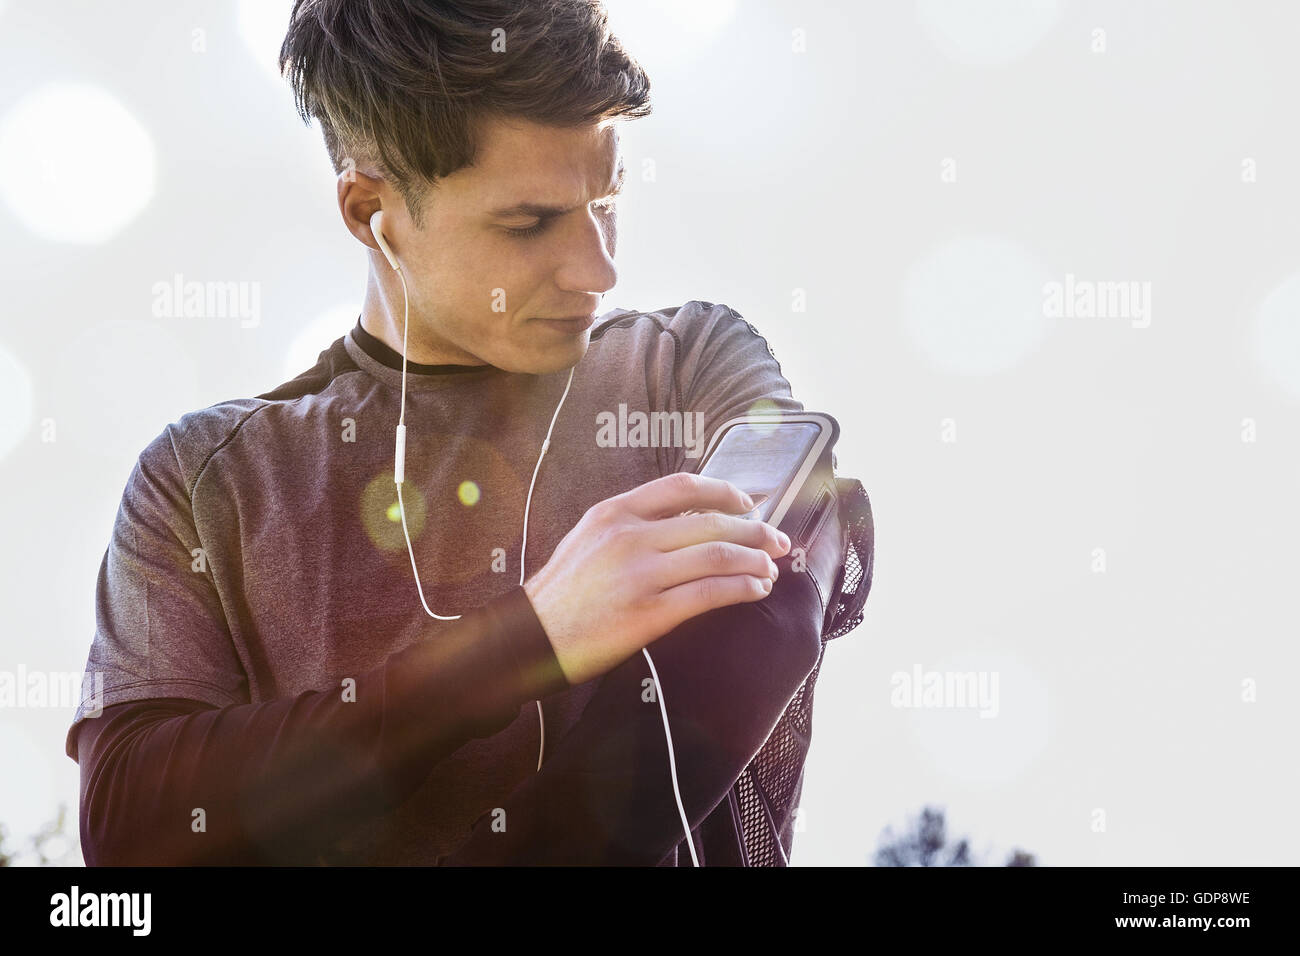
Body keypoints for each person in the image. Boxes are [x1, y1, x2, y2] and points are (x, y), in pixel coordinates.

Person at [65, 0, 838, 866]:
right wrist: (528, 640)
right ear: (370, 211)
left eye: (606, 201)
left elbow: (772, 602)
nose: (598, 268)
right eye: (529, 223)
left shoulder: (686, 365)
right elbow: (132, 831)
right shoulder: (205, 479)